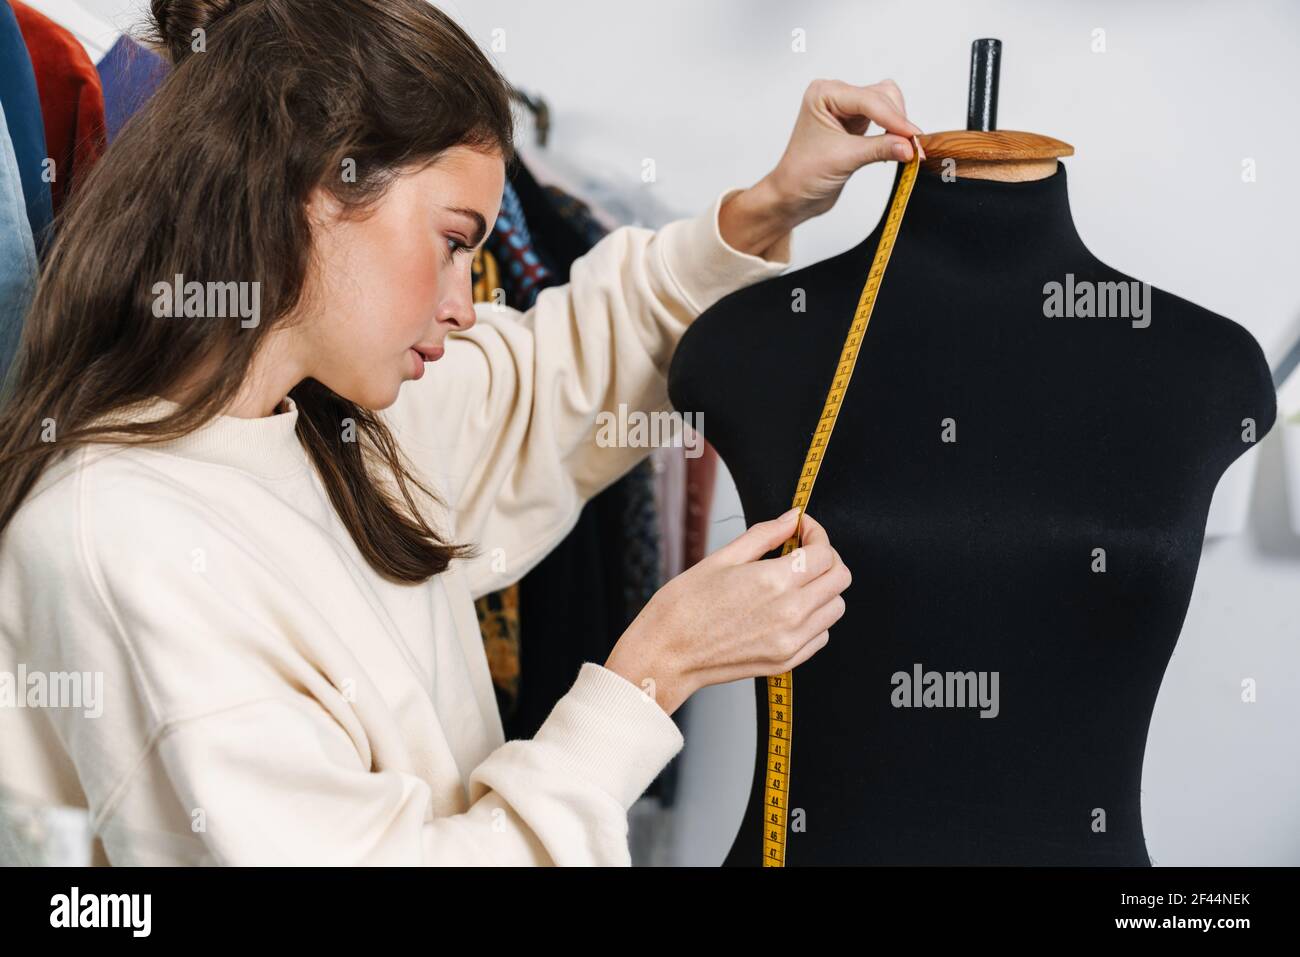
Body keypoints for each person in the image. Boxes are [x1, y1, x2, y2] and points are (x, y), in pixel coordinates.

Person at [0, 0, 921, 865]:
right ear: (315, 192)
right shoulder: (121, 549)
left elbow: (565, 370)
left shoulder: (337, 424)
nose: (465, 307)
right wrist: (656, 670)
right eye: (452, 243)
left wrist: (773, 203)